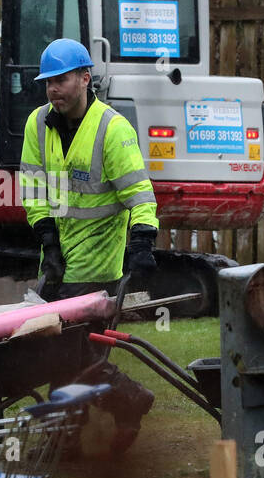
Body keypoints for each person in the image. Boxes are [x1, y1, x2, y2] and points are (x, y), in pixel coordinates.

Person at [19, 38, 161, 452]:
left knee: (68, 353)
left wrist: (142, 243)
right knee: (66, 353)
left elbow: (140, 196)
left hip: (99, 267)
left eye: (61, 80)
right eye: (47, 83)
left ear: (84, 78)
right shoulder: (36, 124)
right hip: (58, 263)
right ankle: (121, 405)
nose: (53, 90)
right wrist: (47, 236)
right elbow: (32, 188)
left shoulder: (112, 130)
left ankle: (70, 437)